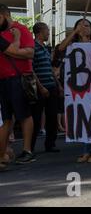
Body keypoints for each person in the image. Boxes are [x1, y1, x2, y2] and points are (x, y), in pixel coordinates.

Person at [58, 19, 91, 163]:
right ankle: (86, 150)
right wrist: (74, 33)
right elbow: (60, 48)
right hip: (79, 90)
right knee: (83, 119)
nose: (85, 28)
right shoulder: (73, 46)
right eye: (81, 26)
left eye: (87, 25)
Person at [0, 4, 36, 166]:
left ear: (5, 15)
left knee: (23, 115)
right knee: (6, 119)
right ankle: (3, 153)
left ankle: (27, 150)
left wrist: (13, 49)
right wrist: (15, 46)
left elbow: (30, 52)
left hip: (18, 78)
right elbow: (15, 51)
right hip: (2, 80)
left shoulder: (21, 29)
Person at [30, 22, 62, 153]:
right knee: (36, 118)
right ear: (39, 32)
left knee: (52, 117)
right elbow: (31, 69)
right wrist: (41, 87)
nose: (49, 33)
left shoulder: (44, 47)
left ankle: (50, 144)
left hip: (52, 86)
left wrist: (58, 84)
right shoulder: (32, 47)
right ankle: (29, 147)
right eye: (47, 30)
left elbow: (49, 68)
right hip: (40, 88)